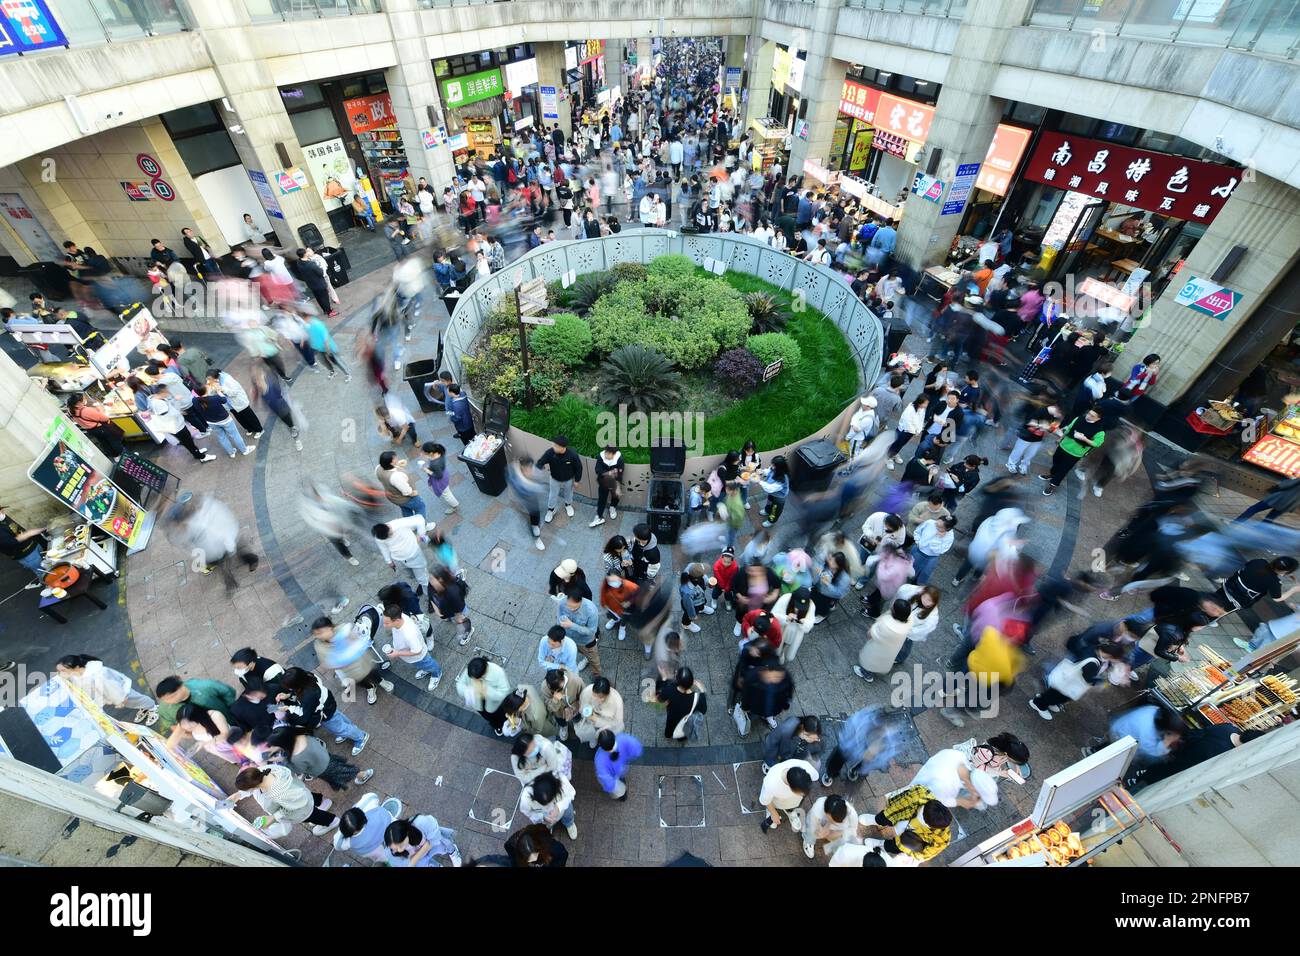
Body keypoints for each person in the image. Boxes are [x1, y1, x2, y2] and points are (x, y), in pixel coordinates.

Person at [233, 764, 338, 837]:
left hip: (301, 809)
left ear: (254, 787)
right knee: (311, 799)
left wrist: (273, 818)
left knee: (313, 816)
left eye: (248, 790)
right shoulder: (262, 771)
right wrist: (238, 794)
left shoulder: (277, 793)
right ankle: (321, 802)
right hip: (300, 792)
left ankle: (332, 821)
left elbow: (294, 807)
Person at [55, 655, 158, 725]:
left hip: (121, 692)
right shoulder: (75, 675)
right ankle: (144, 707)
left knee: (135, 699)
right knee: (134, 702)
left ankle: (153, 707)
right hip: (110, 695)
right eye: (59, 671)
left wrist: (122, 699)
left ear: (76, 667)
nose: (60, 673)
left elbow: (113, 688)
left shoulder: (98, 675)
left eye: (63, 670)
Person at [868, 786, 952, 864]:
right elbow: (899, 798)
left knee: (897, 845)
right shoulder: (921, 793)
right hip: (899, 815)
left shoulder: (943, 837)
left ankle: (882, 844)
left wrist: (909, 852)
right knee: (885, 817)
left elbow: (926, 854)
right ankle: (876, 820)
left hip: (910, 837)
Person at [1042, 408, 1105, 496]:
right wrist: (1060, 438)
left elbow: (1097, 444)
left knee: (1064, 469)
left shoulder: (1100, 431)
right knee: (1055, 461)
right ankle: (1052, 475)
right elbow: (1069, 429)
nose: (1089, 416)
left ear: (1098, 419)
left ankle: (1053, 484)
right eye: (1089, 413)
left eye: (1092, 416)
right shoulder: (1079, 418)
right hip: (1064, 445)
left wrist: (1085, 439)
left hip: (1075, 453)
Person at [381, 603, 441, 692]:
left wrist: (397, 653)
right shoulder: (402, 617)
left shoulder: (409, 634)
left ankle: (437, 674)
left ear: (397, 620)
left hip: (418, 656)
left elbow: (417, 651)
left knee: (428, 663)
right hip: (412, 655)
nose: (384, 625)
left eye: (387, 623)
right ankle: (427, 669)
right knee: (425, 665)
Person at [854, 598, 913, 683]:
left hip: (878, 649)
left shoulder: (886, 625)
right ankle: (869, 672)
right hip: (891, 650)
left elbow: (870, 634)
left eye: (893, 606)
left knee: (871, 661)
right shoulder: (909, 621)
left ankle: (866, 674)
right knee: (880, 662)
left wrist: (872, 629)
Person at [154, 675, 236, 735]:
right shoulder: (164, 708)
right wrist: (187, 733)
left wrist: (232, 708)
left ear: (181, 686)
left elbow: (227, 692)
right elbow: (169, 723)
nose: (168, 702)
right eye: (164, 699)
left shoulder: (205, 687)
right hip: (207, 732)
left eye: (171, 697)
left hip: (227, 719)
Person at [455, 656, 513, 735]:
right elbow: (460, 684)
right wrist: (469, 691)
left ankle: (505, 723)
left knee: (501, 715)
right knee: (488, 717)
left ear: (483, 675)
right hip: (478, 703)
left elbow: (504, 692)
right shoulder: (472, 670)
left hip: (495, 704)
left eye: (476, 679)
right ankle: (497, 726)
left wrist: (486, 691)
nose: (474, 681)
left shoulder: (498, 672)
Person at [758, 759, 816, 833]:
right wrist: (773, 813)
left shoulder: (806, 767)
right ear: (790, 787)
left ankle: (790, 812)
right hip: (777, 802)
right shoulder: (771, 783)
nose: (803, 795)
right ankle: (770, 812)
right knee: (775, 808)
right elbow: (765, 800)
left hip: (794, 801)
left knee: (795, 805)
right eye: (800, 792)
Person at [519, 770, 579, 840]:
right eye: (543, 804)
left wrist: (558, 807)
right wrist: (542, 817)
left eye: (551, 801)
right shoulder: (525, 799)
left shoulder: (560, 778)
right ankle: (548, 828)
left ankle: (569, 823)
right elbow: (528, 812)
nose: (548, 807)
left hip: (564, 808)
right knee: (545, 825)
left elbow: (571, 793)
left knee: (568, 813)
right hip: (544, 818)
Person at [537, 434, 583, 523]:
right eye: (554, 445)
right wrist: (539, 467)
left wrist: (577, 480)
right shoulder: (550, 453)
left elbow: (579, 467)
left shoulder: (572, 455)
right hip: (554, 478)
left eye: (556, 446)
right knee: (552, 495)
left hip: (568, 479)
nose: (554, 447)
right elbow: (541, 462)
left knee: (568, 493)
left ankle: (568, 505)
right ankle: (551, 510)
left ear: (563, 447)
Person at [385, 815, 462, 867]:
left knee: (443, 845)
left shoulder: (421, 822)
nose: (399, 850)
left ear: (407, 833)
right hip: (425, 850)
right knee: (422, 864)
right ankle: (433, 864)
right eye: (394, 848)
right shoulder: (390, 852)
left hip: (432, 844)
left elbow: (435, 838)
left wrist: (415, 858)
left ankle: (452, 851)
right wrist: (425, 847)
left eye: (401, 845)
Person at [0, 504, 48, 584]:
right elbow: (11, 542)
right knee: (44, 573)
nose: (2, 512)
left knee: (47, 563)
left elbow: (17, 529)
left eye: (1, 509)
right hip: (26, 555)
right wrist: (29, 533)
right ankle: (50, 586)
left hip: (33, 545)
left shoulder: (3, 517)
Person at [656, 666, 707, 741]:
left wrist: (664, 679)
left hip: (672, 716)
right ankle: (680, 739)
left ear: (677, 680)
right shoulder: (698, 698)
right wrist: (702, 691)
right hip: (685, 720)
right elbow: (703, 710)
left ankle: (668, 735)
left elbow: (660, 699)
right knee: (683, 729)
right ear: (692, 681)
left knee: (670, 727)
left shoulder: (669, 690)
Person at [802, 793, 858, 860]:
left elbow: (852, 830)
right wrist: (819, 832)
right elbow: (811, 823)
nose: (831, 822)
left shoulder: (852, 816)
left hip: (838, 831)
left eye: (834, 821)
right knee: (810, 831)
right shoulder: (818, 808)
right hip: (820, 823)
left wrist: (838, 833)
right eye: (829, 818)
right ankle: (809, 841)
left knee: (843, 842)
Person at [595, 729, 643, 801]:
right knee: (622, 778)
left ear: (600, 745)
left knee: (620, 789)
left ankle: (622, 797)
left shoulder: (599, 758)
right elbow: (636, 748)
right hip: (622, 768)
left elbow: (606, 778)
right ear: (614, 736)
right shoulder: (622, 738)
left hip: (614, 776)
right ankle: (623, 796)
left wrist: (610, 788)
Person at [1234, 475, 1300, 524]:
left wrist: (1288, 479)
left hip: (1279, 498)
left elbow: (1286, 485)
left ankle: (1236, 523)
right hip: (1289, 504)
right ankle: (1257, 534)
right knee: (1269, 519)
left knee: (1254, 508)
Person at [910, 515, 956, 585]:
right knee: (911, 566)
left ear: (948, 529)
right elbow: (918, 531)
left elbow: (941, 551)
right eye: (936, 523)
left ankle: (915, 582)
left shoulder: (949, 537)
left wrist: (938, 538)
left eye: (940, 527)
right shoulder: (930, 522)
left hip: (931, 557)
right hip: (918, 550)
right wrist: (918, 542)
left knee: (924, 572)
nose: (936, 526)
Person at [503, 823, 569, 867]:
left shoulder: (556, 849)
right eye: (528, 858)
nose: (533, 859)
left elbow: (562, 859)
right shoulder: (512, 844)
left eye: (536, 856)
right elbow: (512, 858)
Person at [591, 444, 625, 527]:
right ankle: (599, 516)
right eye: (606, 452)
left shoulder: (619, 459)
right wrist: (609, 473)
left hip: (614, 482)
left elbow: (620, 473)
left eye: (608, 454)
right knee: (602, 498)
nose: (606, 455)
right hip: (603, 482)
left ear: (614, 454)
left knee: (615, 496)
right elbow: (597, 470)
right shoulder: (601, 456)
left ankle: (612, 507)